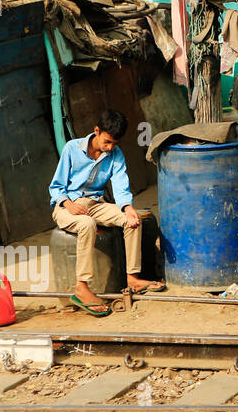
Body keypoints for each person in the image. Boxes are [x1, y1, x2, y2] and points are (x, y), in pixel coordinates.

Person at [48, 108, 165, 317]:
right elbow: (56, 187)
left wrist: (128, 208)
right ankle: (81, 287)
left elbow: (121, 186)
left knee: (131, 219)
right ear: (96, 131)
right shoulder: (71, 149)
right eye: (107, 142)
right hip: (66, 206)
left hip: (95, 204)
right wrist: (68, 203)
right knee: (87, 224)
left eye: (115, 144)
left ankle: (132, 278)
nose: (110, 148)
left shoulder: (115, 154)